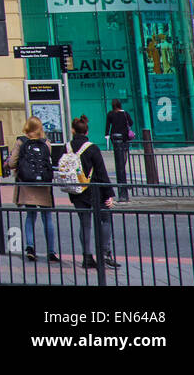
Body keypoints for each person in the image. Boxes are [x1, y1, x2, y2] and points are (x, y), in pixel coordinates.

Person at [3, 117, 60, 262]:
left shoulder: (21, 142)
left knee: (30, 215)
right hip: (43, 185)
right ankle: (51, 251)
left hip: (27, 183)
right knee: (47, 217)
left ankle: (30, 247)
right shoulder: (46, 143)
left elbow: (12, 162)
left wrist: (6, 165)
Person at [68, 115, 120, 270]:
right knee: (105, 219)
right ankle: (104, 253)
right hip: (95, 190)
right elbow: (101, 172)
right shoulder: (92, 148)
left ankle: (87, 256)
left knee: (85, 224)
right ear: (87, 130)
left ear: (73, 130)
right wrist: (109, 194)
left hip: (76, 190)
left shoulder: (68, 147)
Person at [105, 99, 134, 201]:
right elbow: (131, 123)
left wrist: (106, 135)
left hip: (114, 135)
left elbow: (108, 125)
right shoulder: (125, 113)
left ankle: (120, 166)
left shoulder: (111, 114)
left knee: (118, 153)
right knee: (124, 152)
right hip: (124, 136)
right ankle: (122, 165)